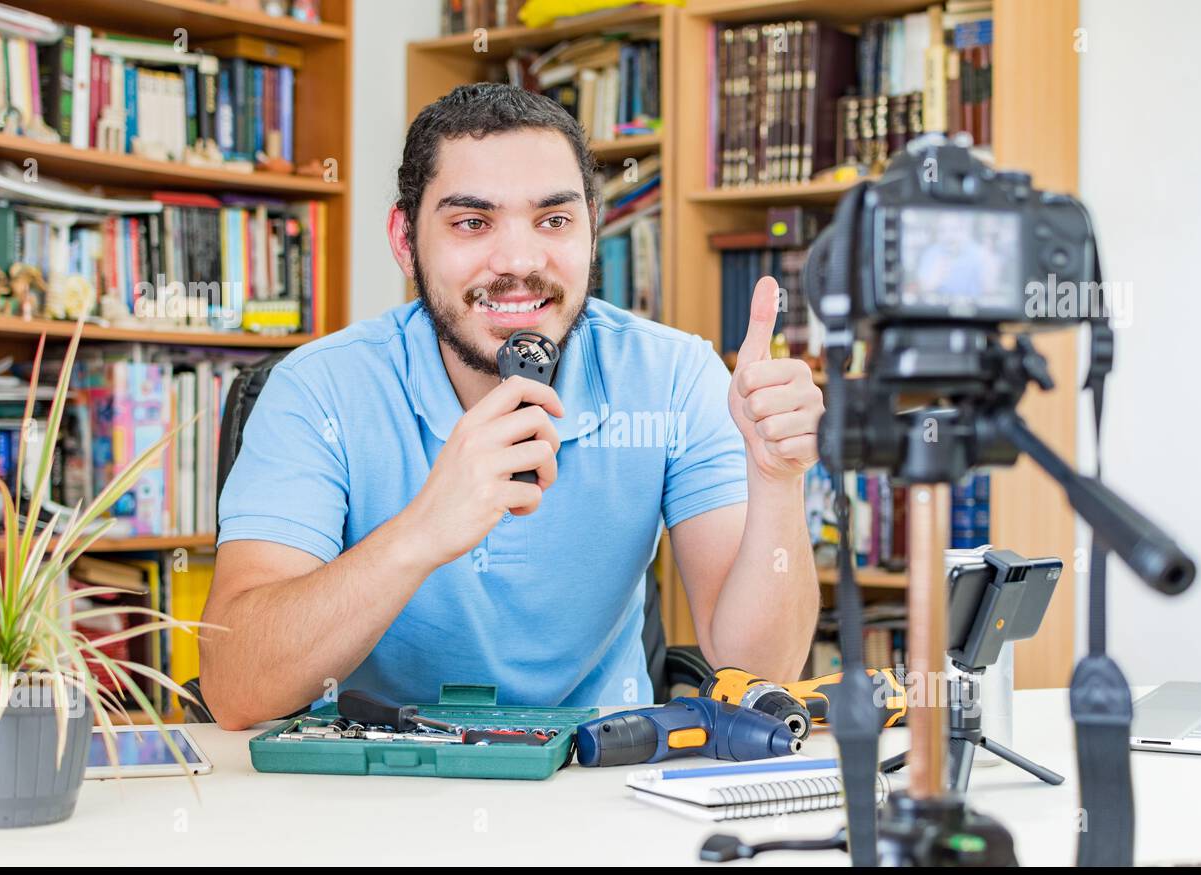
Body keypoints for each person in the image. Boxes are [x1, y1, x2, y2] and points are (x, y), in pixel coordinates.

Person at [200, 83, 824, 729]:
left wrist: (778, 481)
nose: (520, 262)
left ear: (591, 230)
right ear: (404, 238)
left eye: (554, 220)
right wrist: (423, 530)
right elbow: (236, 688)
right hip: (379, 783)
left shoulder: (673, 376)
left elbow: (761, 673)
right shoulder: (317, 388)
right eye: (472, 222)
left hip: (600, 776)